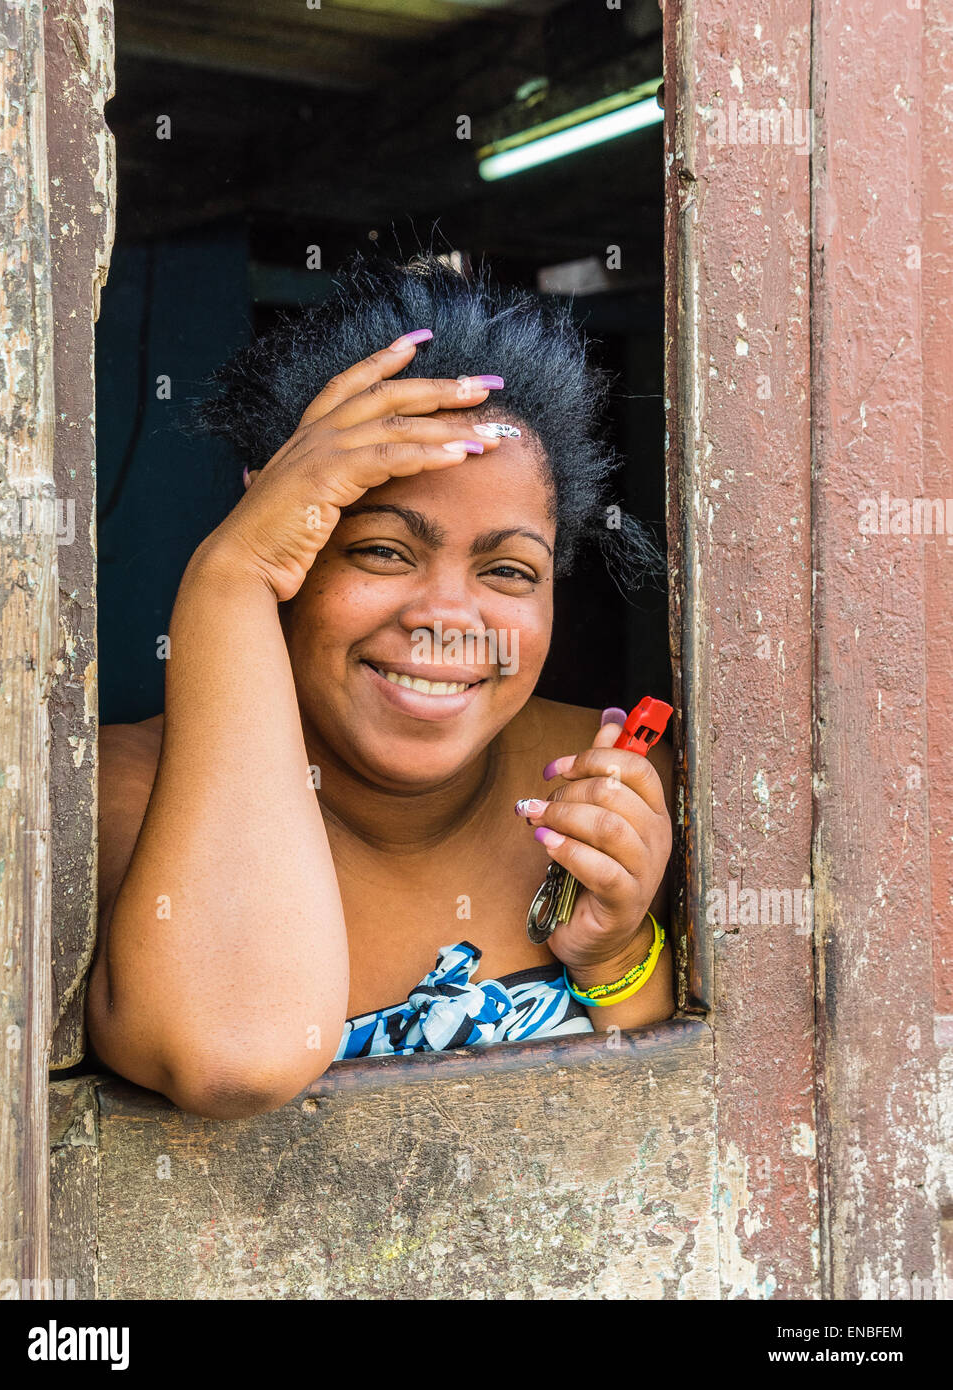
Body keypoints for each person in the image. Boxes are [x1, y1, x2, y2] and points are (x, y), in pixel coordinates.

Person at [88, 255, 675, 1120]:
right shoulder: (118, 801)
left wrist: (616, 953)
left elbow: (682, 1119)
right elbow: (232, 1059)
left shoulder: (602, 792)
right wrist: (229, 574)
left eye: (510, 569)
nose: (447, 617)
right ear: (286, 539)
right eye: (381, 551)